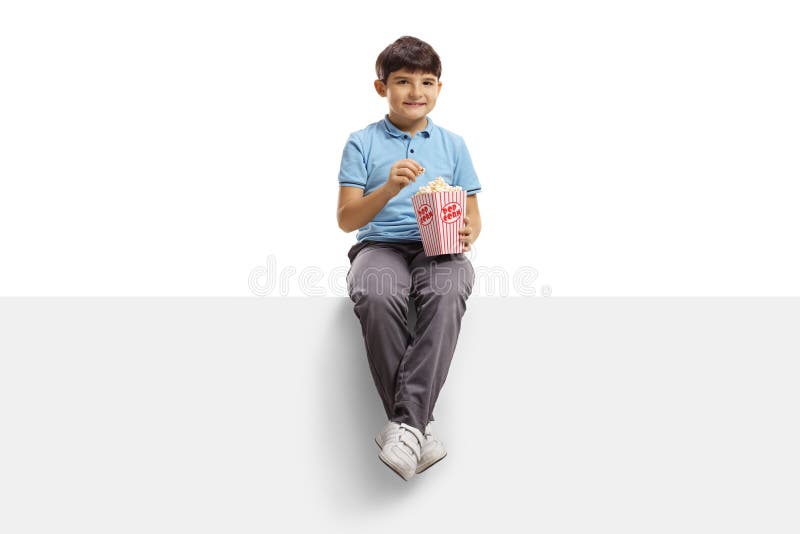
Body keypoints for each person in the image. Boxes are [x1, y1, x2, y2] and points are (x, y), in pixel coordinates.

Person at [336, 36, 483, 481]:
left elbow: (474, 218)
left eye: (427, 81)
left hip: (439, 248)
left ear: (439, 88)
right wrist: (388, 188)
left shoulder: (454, 145)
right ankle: (420, 426)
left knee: (449, 287)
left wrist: (466, 232)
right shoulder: (361, 143)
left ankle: (403, 426)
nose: (415, 91)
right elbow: (346, 219)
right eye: (402, 81)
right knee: (374, 293)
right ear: (382, 88)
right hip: (380, 246)